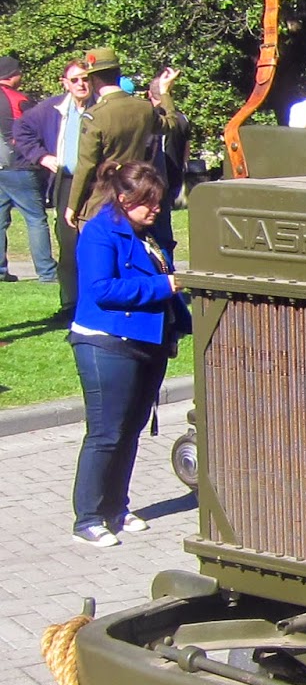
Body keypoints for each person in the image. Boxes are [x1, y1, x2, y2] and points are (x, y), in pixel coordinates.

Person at [67, 159, 188, 548]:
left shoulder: (145, 232)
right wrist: (163, 285)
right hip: (105, 343)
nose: (156, 209)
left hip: (146, 342)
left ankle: (117, 508)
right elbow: (102, 290)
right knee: (106, 434)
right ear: (123, 198)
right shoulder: (100, 232)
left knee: (132, 430)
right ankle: (88, 517)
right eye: (147, 203)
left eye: (157, 202)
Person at [64, 48, 176, 226]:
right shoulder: (144, 108)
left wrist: (73, 205)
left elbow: (86, 165)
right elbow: (170, 124)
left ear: (93, 79)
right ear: (118, 74)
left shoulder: (94, 116)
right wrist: (165, 93)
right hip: (135, 194)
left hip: (104, 197)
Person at [14, 61, 91, 312]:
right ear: (65, 83)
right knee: (69, 245)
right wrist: (42, 157)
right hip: (66, 182)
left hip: (98, 184)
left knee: (100, 242)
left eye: (86, 78)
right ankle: (70, 303)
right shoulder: (52, 109)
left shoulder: (101, 107)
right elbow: (21, 129)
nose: (82, 84)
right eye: (76, 79)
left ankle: (99, 302)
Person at [0, 54, 58, 284]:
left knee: (0, 219)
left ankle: (1, 271)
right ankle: (47, 272)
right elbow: (34, 129)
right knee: (35, 219)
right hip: (21, 165)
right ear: (12, 76)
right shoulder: (18, 99)